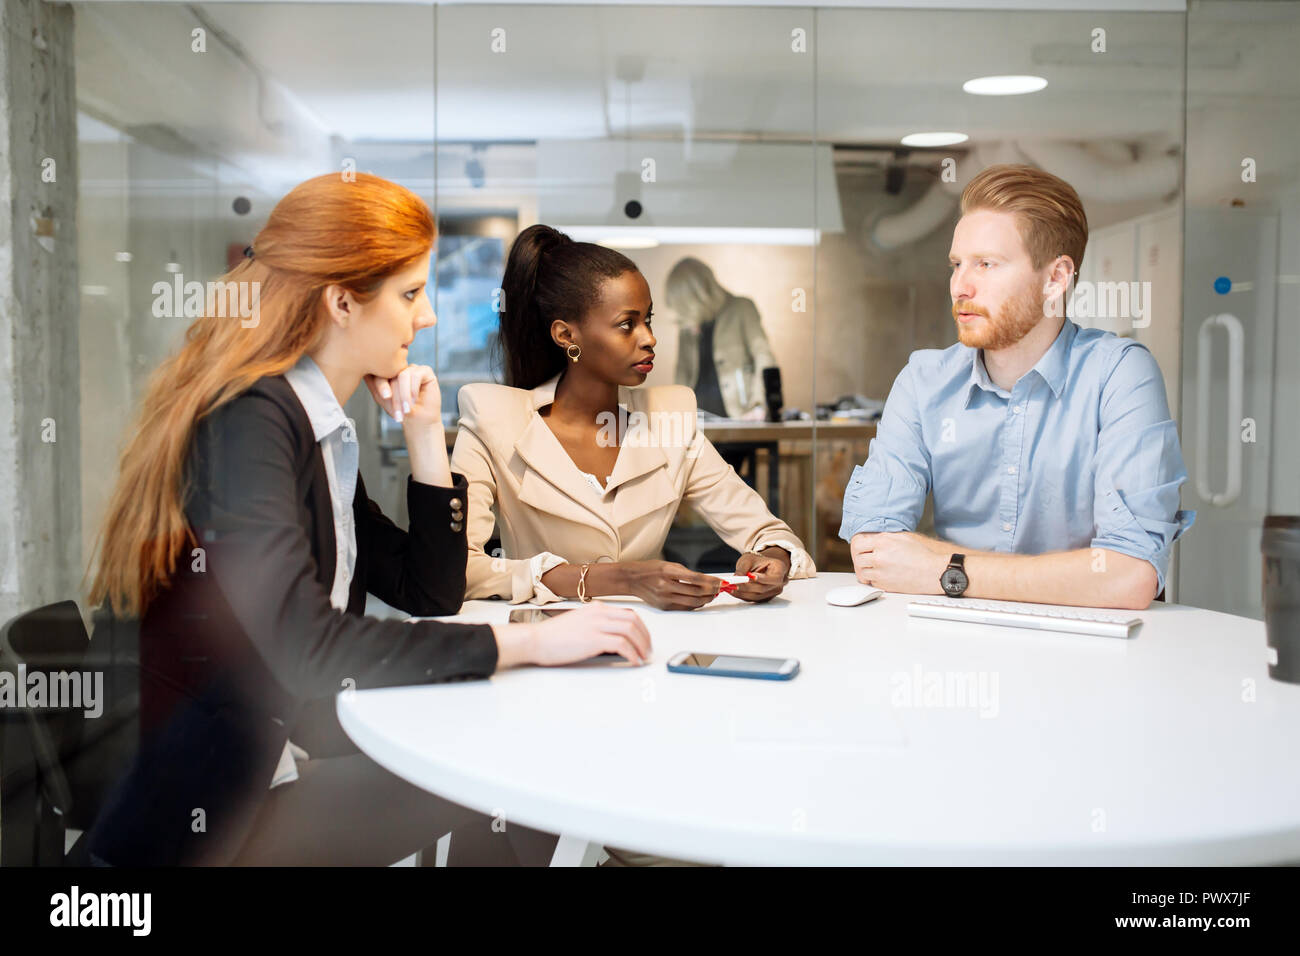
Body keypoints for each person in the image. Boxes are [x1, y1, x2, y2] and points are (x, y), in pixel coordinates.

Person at [82, 173, 650, 866]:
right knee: (506, 771)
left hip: (278, 765)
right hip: (214, 824)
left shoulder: (312, 427)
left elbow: (429, 593)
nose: (429, 316)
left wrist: (423, 435)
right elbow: (309, 647)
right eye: (411, 293)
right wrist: (528, 645)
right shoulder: (252, 422)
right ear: (342, 302)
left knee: (506, 759)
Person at [840, 163, 1194, 610]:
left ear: (1056, 279)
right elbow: (874, 554)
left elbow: (1129, 576)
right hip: (953, 651)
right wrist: (1057, 577)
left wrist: (945, 568)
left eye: (986, 264)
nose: (960, 287)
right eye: (956, 264)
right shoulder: (923, 380)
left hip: (1085, 660)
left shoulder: (1119, 374)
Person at [450, 224, 816, 611]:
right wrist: (623, 578)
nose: (649, 338)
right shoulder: (491, 419)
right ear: (565, 335)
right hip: (544, 648)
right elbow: (459, 568)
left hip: (651, 650)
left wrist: (772, 558)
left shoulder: (670, 418)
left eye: (649, 319)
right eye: (627, 324)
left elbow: (766, 530)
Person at [666, 256, 778, 420]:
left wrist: (758, 404)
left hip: (740, 414)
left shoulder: (741, 308)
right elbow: (682, 372)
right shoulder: (688, 324)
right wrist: (676, 412)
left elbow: (764, 357)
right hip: (697, 417)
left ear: (698, 293)